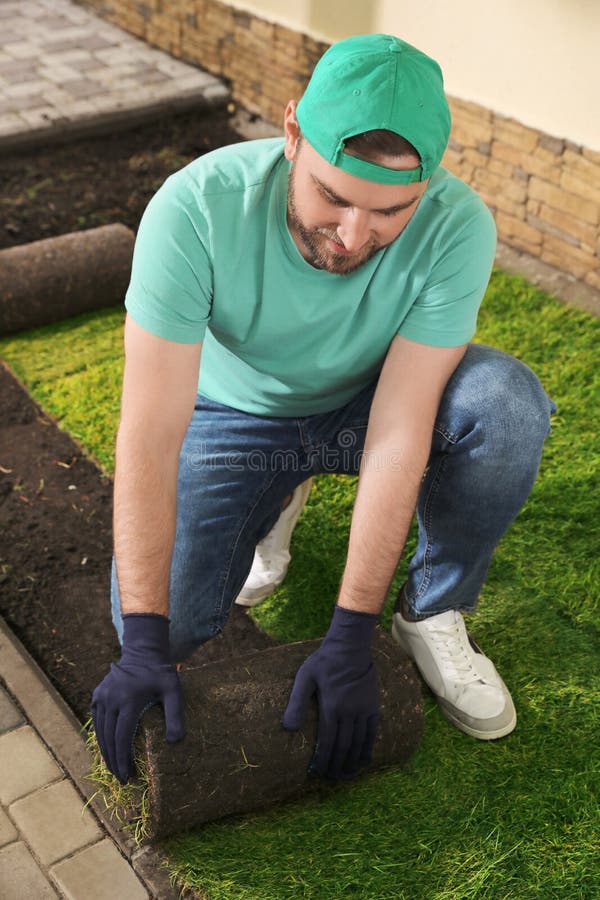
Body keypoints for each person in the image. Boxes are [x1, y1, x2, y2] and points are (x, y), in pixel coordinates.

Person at [91, 34, 555, 785]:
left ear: (427, 184)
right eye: (333, 195)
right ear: (291, 132)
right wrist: (143, 639)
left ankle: (431, 611)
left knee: (505, 403)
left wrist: (351, 632)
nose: (350, 237)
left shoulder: (458, 225)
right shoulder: (196, 207)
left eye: (388, 212)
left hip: (363, 403)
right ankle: (274, 496)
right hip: (234, 416)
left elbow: (400, 428)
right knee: (161, 620)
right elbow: (149, 432)